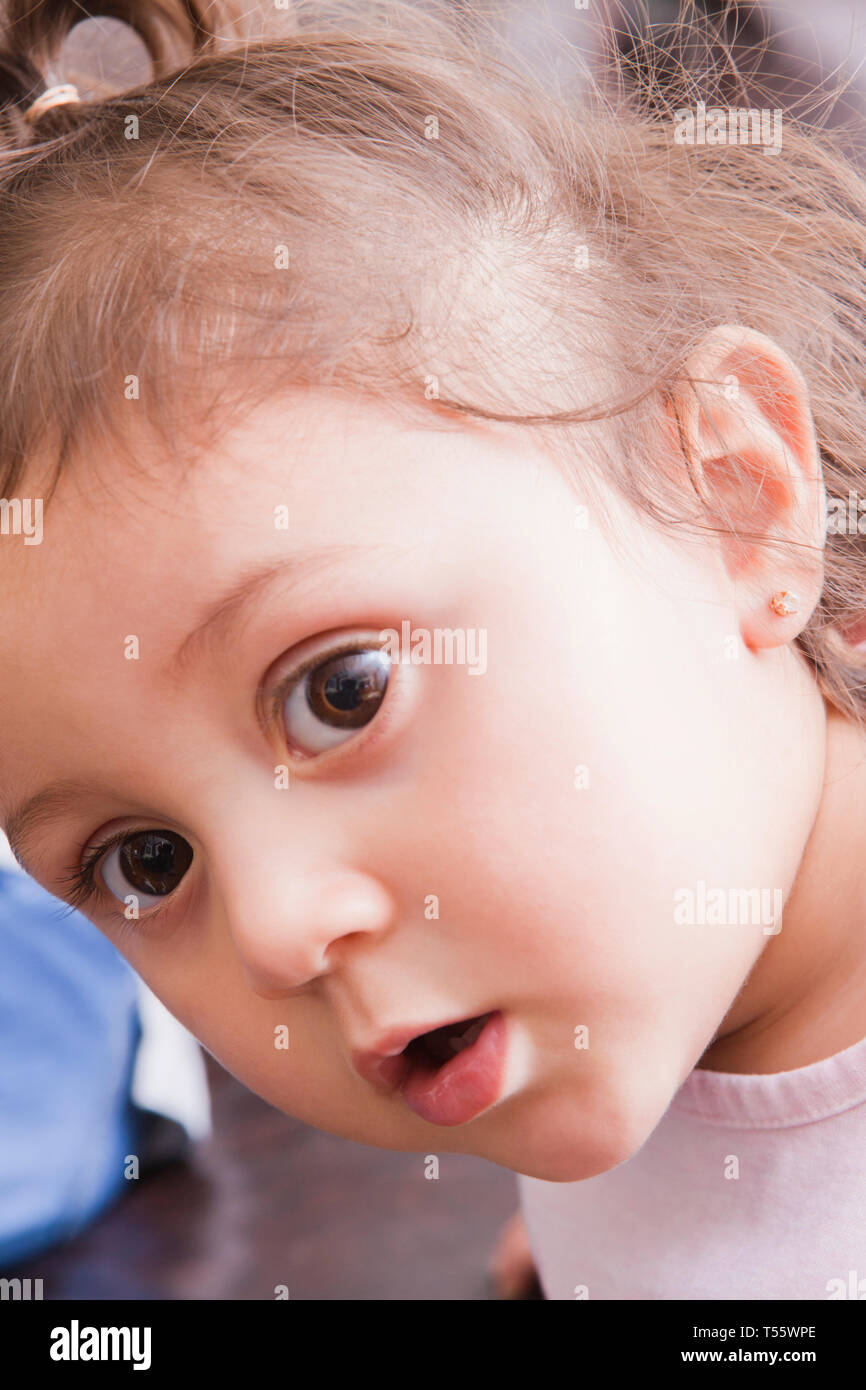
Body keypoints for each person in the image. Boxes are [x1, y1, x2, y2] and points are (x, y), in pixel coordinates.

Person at [0, 0, 865, 1299]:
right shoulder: (644, 981)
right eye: (147, 859)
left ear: (735, 499)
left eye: (342, 692)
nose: (278, 934)